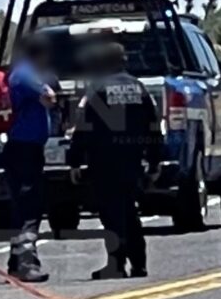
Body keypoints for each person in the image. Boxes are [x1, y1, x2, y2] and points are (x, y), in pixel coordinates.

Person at [68, 40, 162, 280]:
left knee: (111, 214)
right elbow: (153, 128)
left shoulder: (97, 90)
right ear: (124, 61)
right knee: (130, 211)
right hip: (132, 160)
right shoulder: (140, 89)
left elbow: (83, 129)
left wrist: (75, 161)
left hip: (104, 162)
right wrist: (155, 161)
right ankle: (139, 263)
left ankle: (116, 263)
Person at [2, 34, 57, 282]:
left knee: (21, 205)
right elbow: (49, 96)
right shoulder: (26, 74)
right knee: (29, 207)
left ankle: (15, 262)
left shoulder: (19, 72)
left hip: (21, 148)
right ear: (41, 54)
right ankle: (27, 264)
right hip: (24, 149)